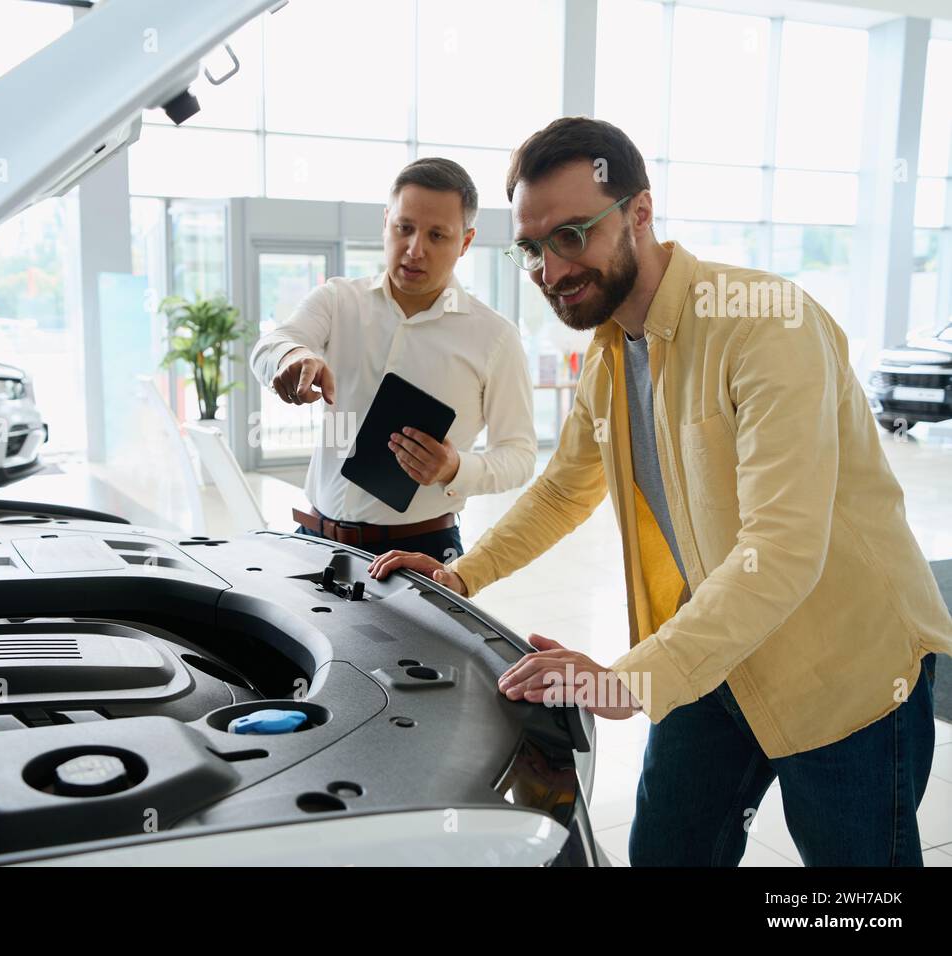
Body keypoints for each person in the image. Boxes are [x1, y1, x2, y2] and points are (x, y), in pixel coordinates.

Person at [369, 117, 952, 866]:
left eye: (572, 234)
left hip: (845, 670)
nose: (550, 269)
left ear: (639, 213)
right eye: (533, 248)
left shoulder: (764, 328)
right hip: (709, 653)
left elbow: (781, 551)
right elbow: (561, 492)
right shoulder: (611, 354)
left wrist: (627, 680)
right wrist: (458, 576)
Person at [249, 157, 536, 561]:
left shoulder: (495, 337)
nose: (415, 250)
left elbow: (520, 455)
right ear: (386, 223)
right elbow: (271, 344)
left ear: (466, 242)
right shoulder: (338, 301)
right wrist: (290, 355)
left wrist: (456, 468)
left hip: (422, 549)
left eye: (437, 235)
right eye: (404, 228)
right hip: (313, 540)